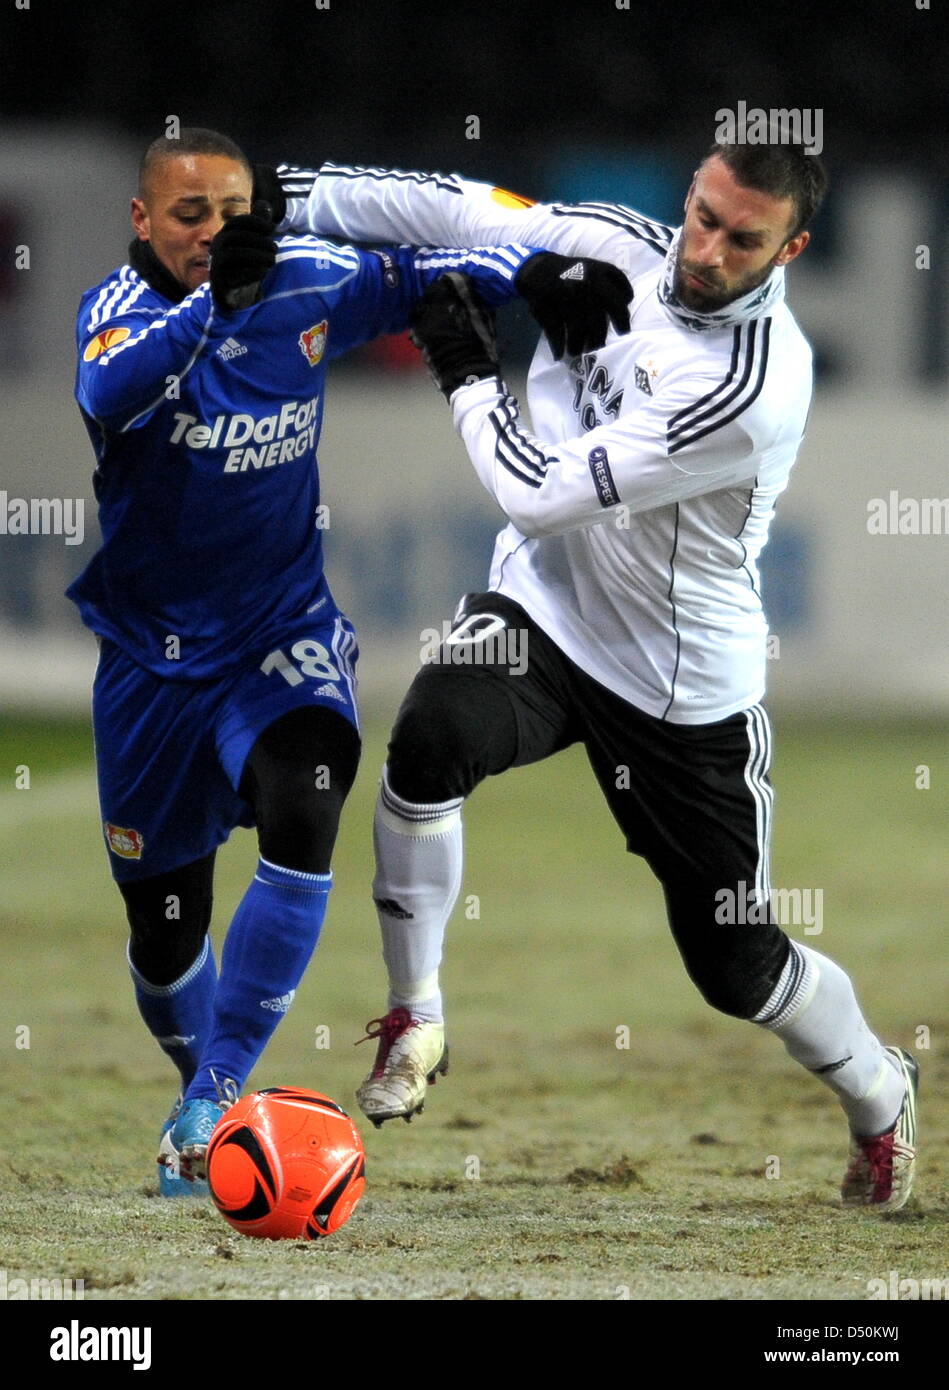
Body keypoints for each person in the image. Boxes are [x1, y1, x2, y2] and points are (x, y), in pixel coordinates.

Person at [267, 145, 919, 1210]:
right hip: (543, 616)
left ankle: (881, 1089)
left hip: (671, 682)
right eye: (701, 216)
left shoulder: (749, 386)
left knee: (736, 965)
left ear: (791, 250)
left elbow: (533, 493)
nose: (704, 249)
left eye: (740, 237)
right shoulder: (615, 241)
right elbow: (455, 207)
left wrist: (467, 368)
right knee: (427, 741)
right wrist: (283, 194)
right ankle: (415, 1014)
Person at [68, 127, 630, 1196]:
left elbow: (431, 269)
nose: (214, 234)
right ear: (142, 221)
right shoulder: (116, 313)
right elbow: (108, 398)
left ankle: (217, 1090)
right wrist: (211, 306)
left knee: (311, 789)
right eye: (188, 215)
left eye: (233, 213)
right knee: (162, 928)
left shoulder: (309, 279)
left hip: (282, 635)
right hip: (149, 663)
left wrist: (537, 271)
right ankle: (203, 1085)